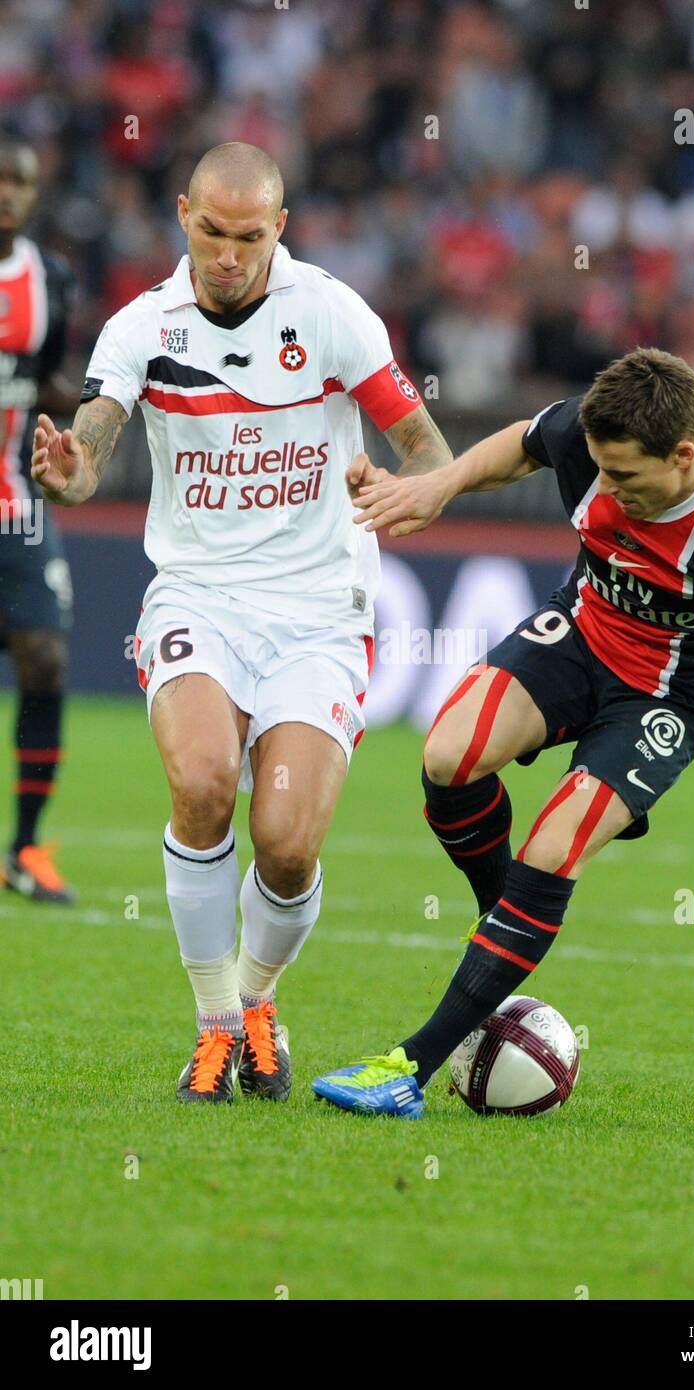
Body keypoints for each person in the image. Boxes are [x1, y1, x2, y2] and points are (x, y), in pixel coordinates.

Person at [311, 346, 694, 1119]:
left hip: (671, 694)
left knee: (554, 848)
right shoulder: (594, 435)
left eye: (625, 477)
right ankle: (504, 926)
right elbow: (524, 441)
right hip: (584, 634)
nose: (609, 490)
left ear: (684, 455)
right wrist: (439, 485)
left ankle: (406, 1068)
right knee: (450, 755)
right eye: (600, 470)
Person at [31, 141, 451, 1103]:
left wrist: (413, 487)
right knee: (204, 782)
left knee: (290, 844)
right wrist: (71, 471)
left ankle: (260, 1002)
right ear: (182, 215)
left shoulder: (333, 314)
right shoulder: (143, 327)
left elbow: (423, 441)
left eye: (248, 236)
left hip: (318, 610)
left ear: (281, 229)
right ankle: (216, 1025)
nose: (228, 255)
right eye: (211, 233)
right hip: (198, 596)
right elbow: (94, 444)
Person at [0, 139, 80, 904]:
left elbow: (49, 377)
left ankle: (24, 848)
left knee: (48, 662)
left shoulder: (50, 279)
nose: (7, 193)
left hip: (17, 510)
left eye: (19, 180)